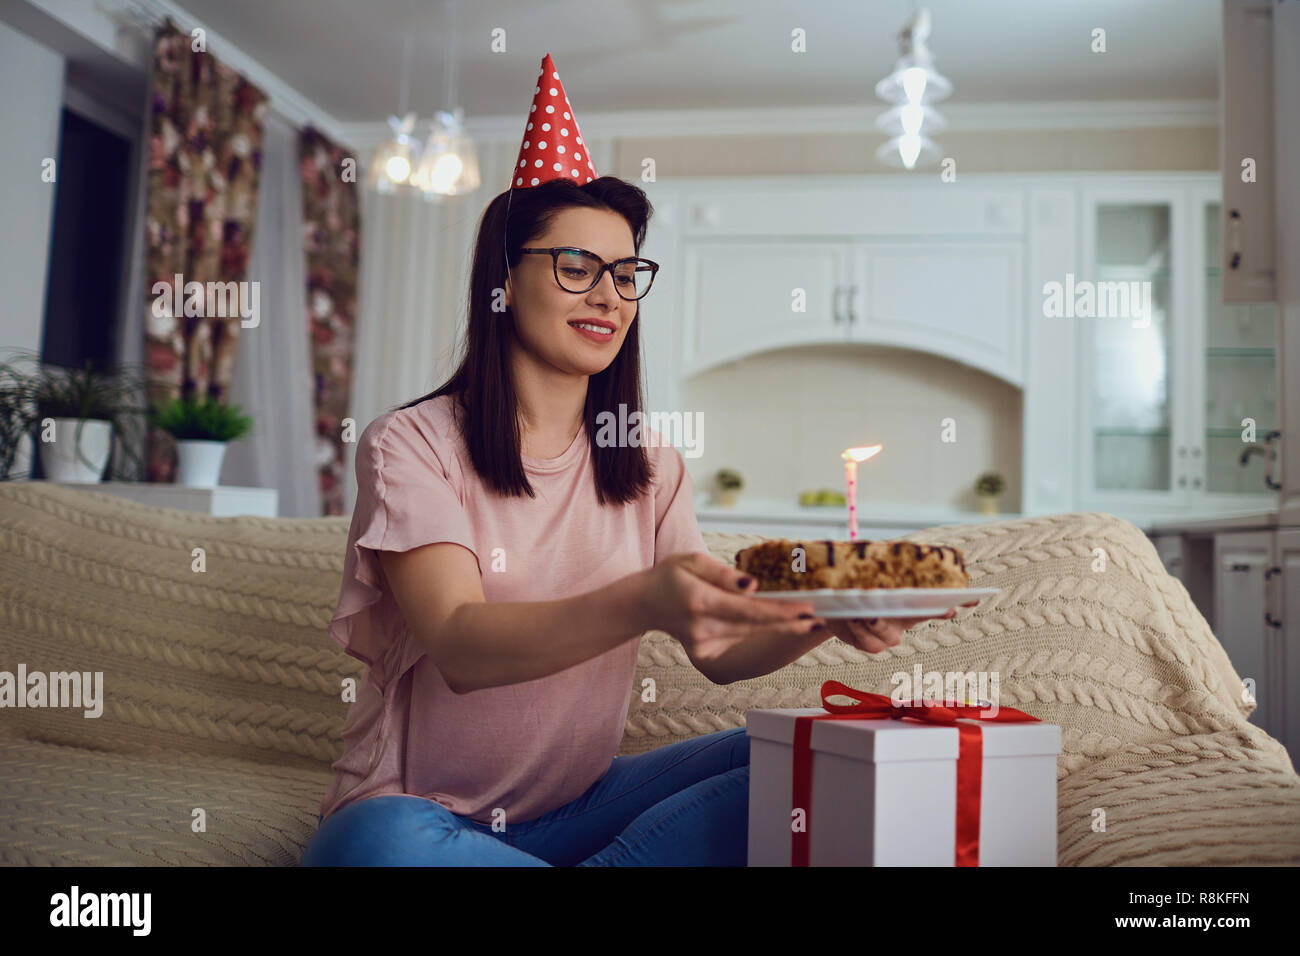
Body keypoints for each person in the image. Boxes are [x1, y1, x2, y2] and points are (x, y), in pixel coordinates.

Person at [299, 55, 959, 868]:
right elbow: (461, 645)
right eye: (574, 267)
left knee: (804, 756)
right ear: (503, 281)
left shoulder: (648, 464)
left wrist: (823, 611)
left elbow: (717, 652)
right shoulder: (412, 445)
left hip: (582, 805)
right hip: (421, 817)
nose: (609, 295)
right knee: (374, 849)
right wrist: (644, 598)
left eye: (625, 273)